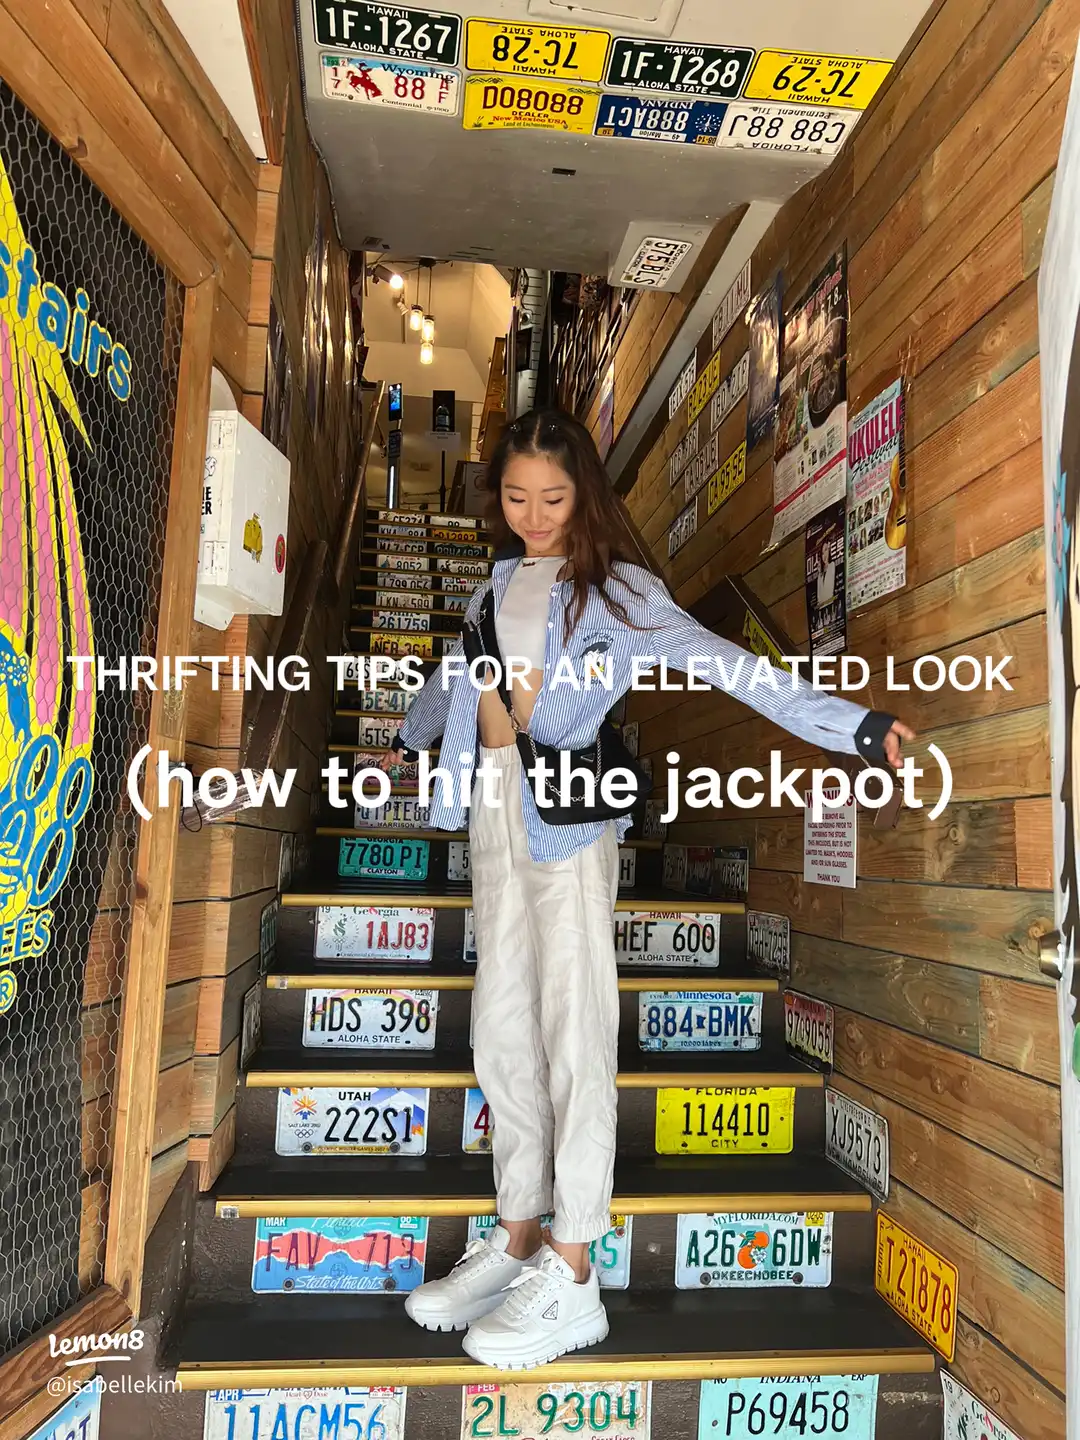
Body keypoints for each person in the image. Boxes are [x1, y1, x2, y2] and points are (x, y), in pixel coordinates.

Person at [378, 408, 913, 1371]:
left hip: (569, 820)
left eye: (552, 496)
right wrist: (407, 732)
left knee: (574, 1027)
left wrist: (853, 727)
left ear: (583, 494)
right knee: (500, 1029)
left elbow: (736, 669)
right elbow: (454, 688)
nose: (534, 514)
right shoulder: (490, 586)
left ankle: (574, 1266)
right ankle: (517, 1234)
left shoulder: (621, 594)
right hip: (491, 812)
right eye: (514, 497)